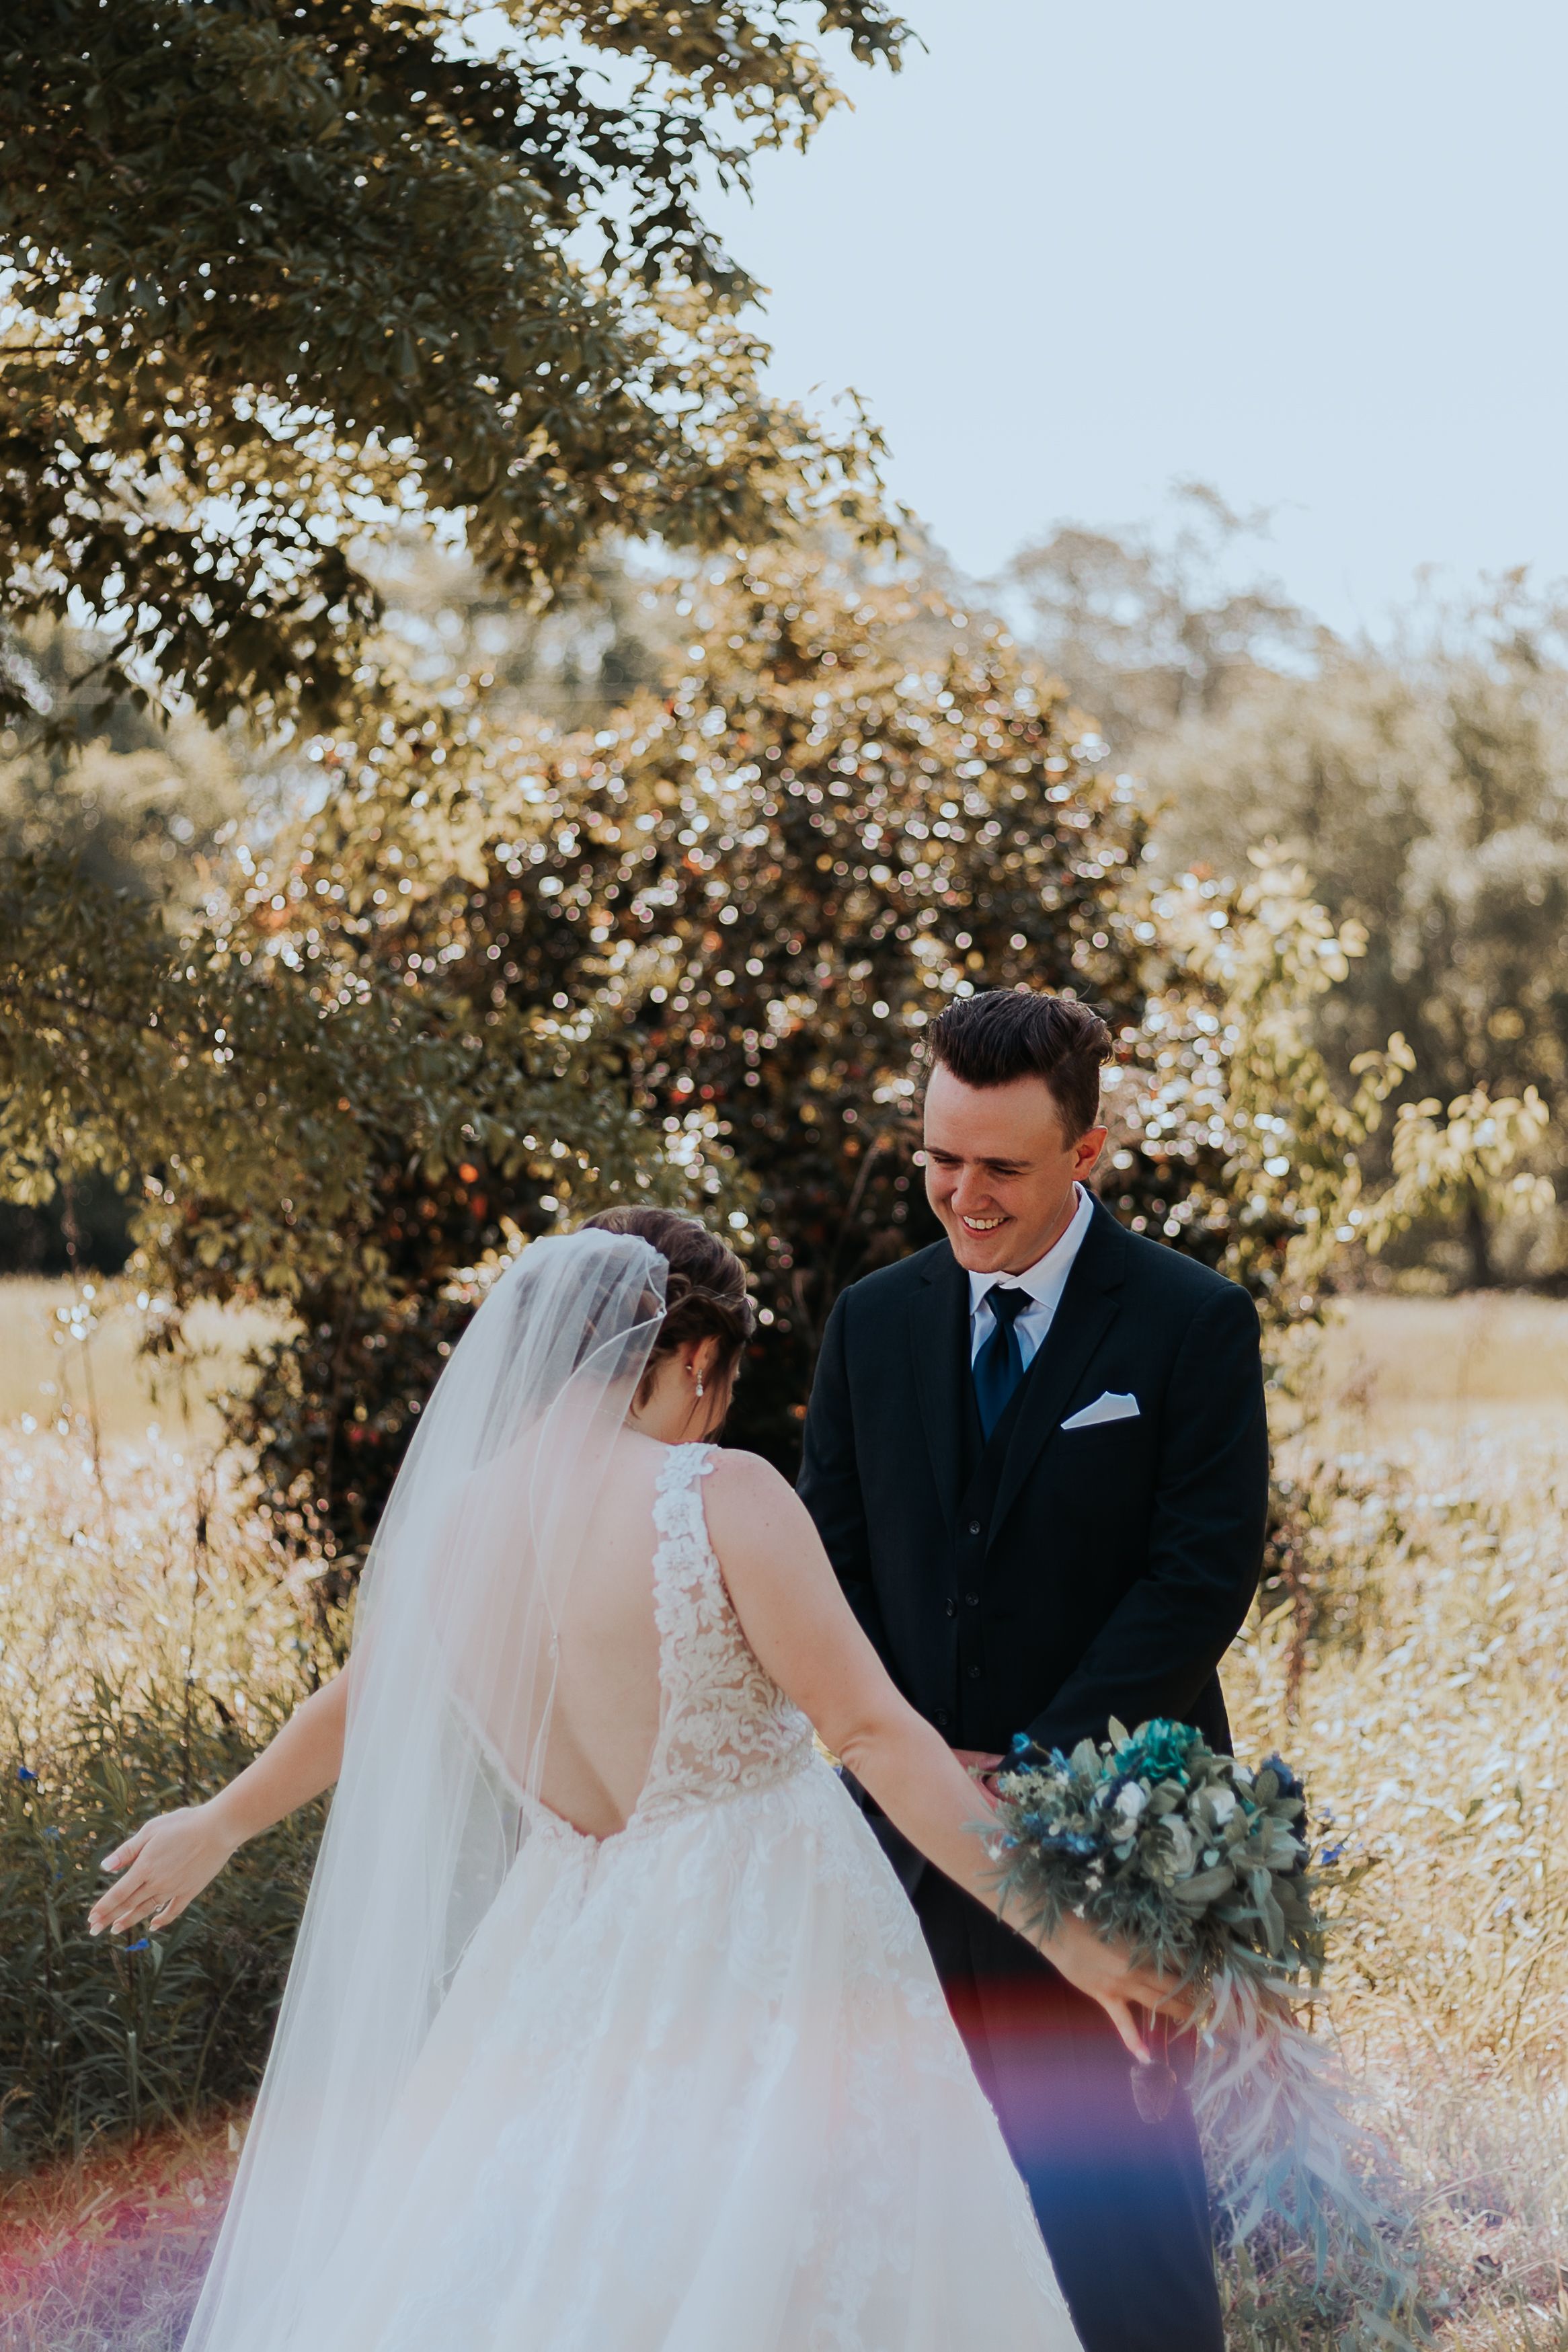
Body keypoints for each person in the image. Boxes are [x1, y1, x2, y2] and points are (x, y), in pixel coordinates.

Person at [90, 1208, 1179, 2352]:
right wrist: (1069, 1933)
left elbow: (365, 1702)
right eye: (721, 1385)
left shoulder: (454, 1533)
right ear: (697, 1358)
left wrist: (220, 1820)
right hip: (770, 1948)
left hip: (562, 1951)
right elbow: (873, 1732)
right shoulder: (719, 1495)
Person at [799, 988, 1270, 2352]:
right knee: (920, 2192)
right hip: (903, 1830)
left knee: (1116, 2211)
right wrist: (904, 1750)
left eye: (999, 1165)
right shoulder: (871, 1324)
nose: (963, 1195)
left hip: (1111, 1823)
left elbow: (1196, 1578)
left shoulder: (1189, 1324)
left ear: (1087, 1151)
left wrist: (1031, 1762)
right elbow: (826, 1561)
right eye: (938, 1158)